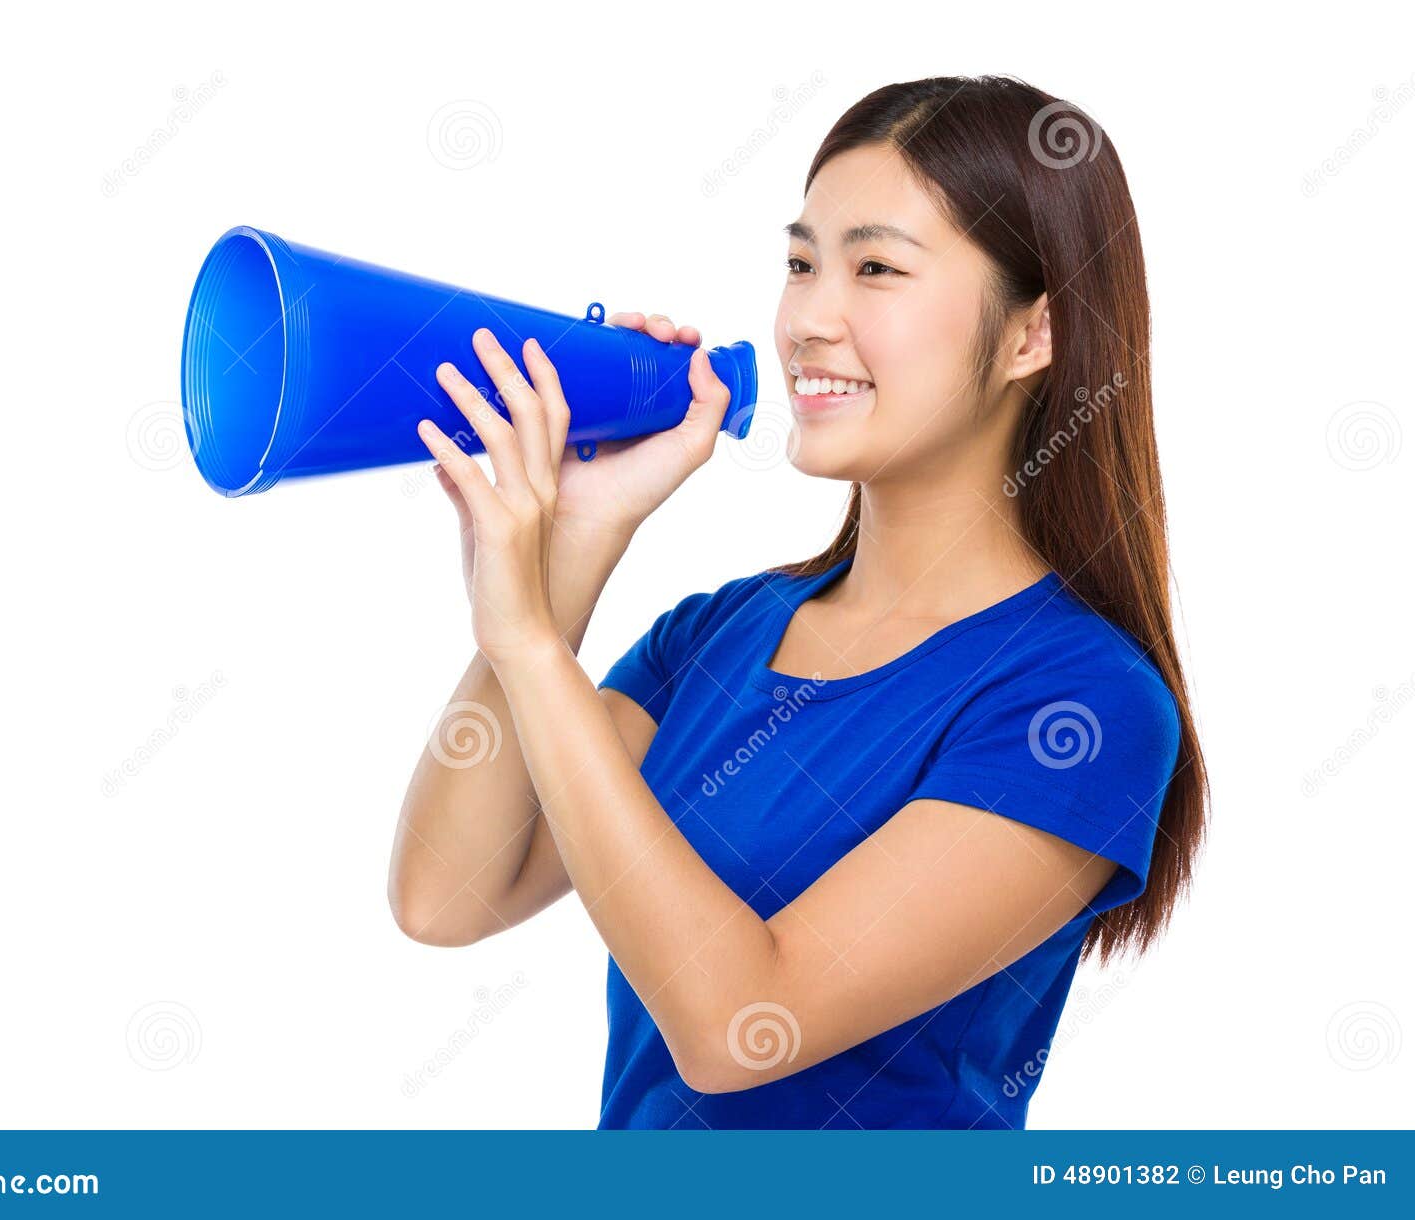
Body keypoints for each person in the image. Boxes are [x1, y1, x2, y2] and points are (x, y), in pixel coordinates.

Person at [389, 74, 1208, 1130]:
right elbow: (445, 895)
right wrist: (575, 547)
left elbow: (741, 1022)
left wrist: (530, 646)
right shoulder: (715, 635)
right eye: (799, 262)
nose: (807, 320)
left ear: (1030, 337)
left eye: (874, 268)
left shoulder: (1082, 705)